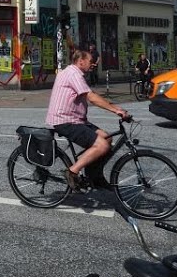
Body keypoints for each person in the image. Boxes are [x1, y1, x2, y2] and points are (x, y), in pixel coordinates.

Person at [46, 49, 130, 190]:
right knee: (102, 146)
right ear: (81, 61)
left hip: (75, 119)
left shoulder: (76, 74)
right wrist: (116, 110)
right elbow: (91, 97)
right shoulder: (73, 74)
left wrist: (115, 107)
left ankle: (94, 176)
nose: (94, 64)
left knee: (107, 138)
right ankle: (72, 171)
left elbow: (92, 94)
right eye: (91, 61)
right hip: (65, 120)